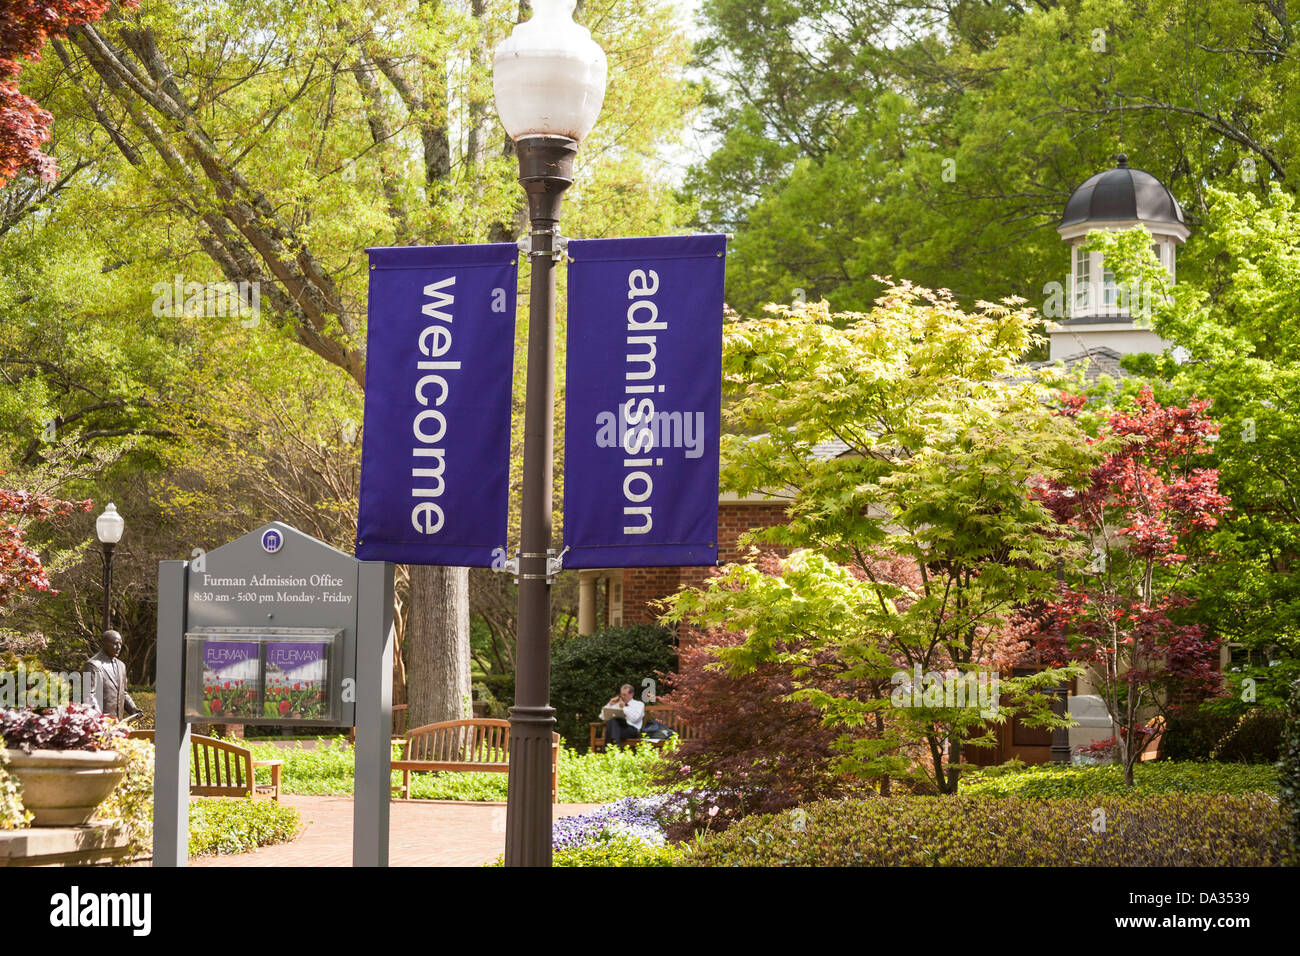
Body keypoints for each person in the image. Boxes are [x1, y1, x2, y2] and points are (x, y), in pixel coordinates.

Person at [84, 630, 142, 719]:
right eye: (115, 643)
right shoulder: (92, 665)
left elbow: (123, 693)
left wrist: (133, 709)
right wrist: (99, 717)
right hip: (101, 724)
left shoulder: (121, 666)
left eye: (120, 644)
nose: (119, 647)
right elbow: (89, 695)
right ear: (104, 643)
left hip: (118, 721)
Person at [603, 683, 644, 749]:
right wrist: (609, 704)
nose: (622, 697)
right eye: (621, 694)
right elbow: (603, 717)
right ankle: (616, 746)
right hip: (617, 729)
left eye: (624, 695)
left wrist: (624, 708)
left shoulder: (639, 704)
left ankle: (609, 751)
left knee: (612, 725)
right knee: (613, 721)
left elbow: (634, 719)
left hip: (631, 730)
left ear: (632, 694)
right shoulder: (617, 703)